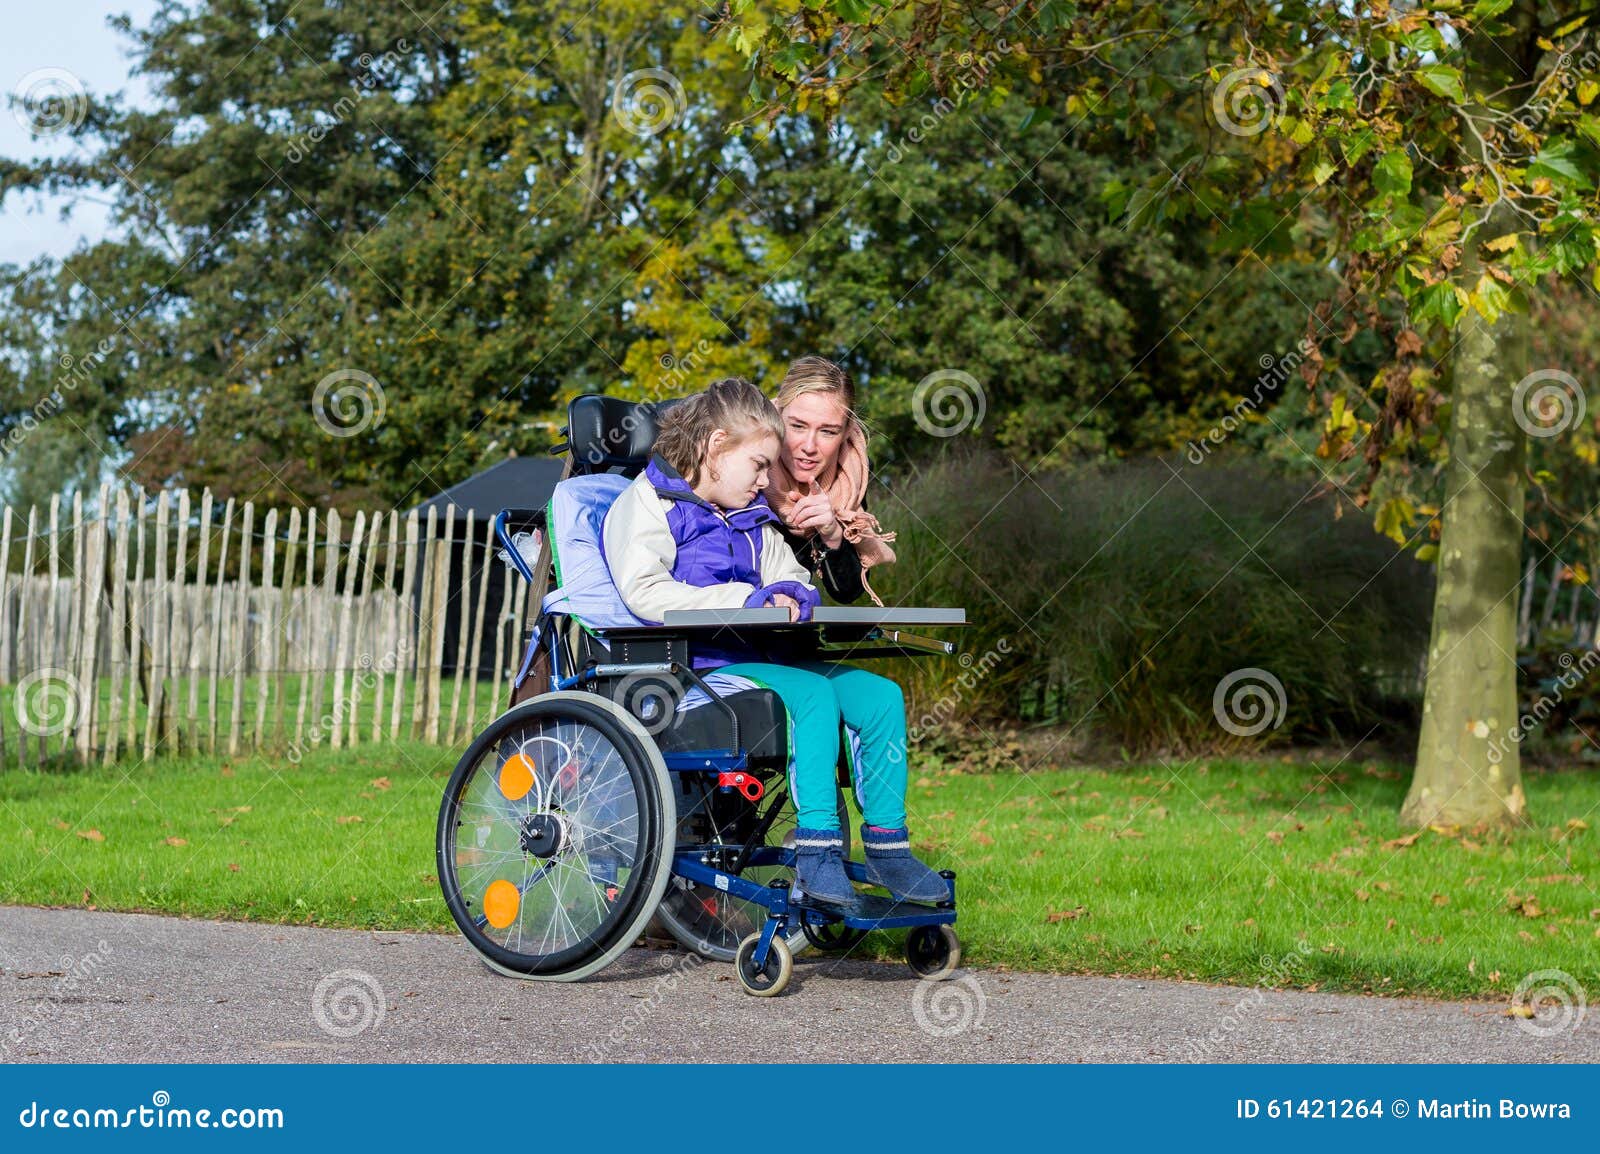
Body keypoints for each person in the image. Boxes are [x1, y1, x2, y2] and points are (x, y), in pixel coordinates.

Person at [601, 377, 947, 909]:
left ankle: (888, 845)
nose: (768, 479)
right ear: (717, 448)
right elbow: (644, 592)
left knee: (881, 700)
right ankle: (817, 850)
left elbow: (794, 579)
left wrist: (789, 593)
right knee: (811, 696)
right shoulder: (648, 503)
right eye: (760, 465)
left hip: (766, 661)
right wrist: (746, 599)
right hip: (698, 672)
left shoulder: (750, 517)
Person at [764, 355, 897, 606]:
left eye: (828, 431)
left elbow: (846, 592)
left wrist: (832, 531)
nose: (809, 446)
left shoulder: (851, 475)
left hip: (791, 626)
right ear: (777, 416)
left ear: (846, 432)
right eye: (798, 426)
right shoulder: (744, 454)